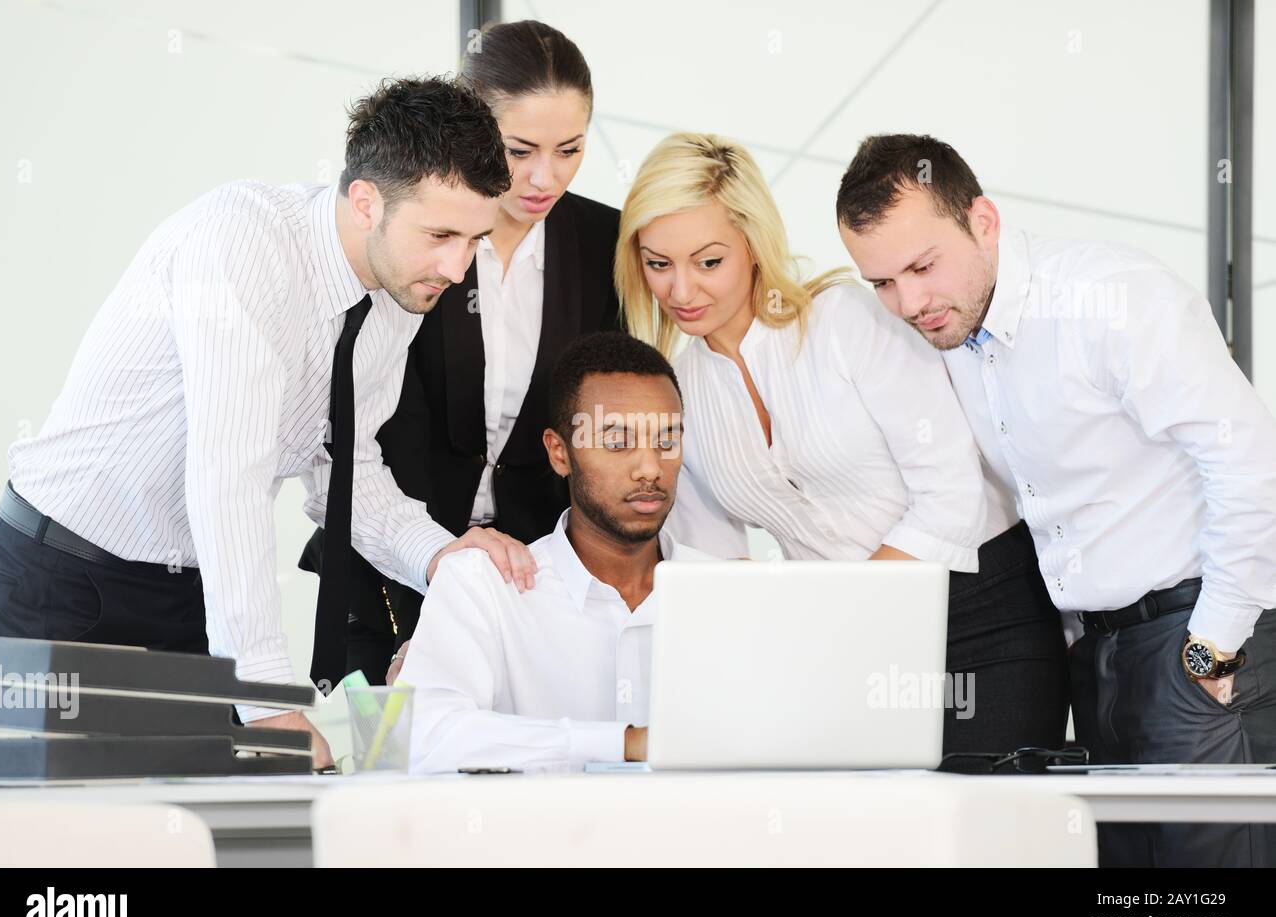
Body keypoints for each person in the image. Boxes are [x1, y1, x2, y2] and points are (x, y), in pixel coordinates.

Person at [0, 77, 538, 768]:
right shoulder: (242, 243)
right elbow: (229, 478)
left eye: (475, 239)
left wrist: (439, 555)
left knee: (203, 825)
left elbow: (347, 468)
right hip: (66, 575)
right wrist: (267, 698)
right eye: (441, 234)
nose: (457, 267)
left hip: (185, 588)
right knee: (93, 830)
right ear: (366, 203)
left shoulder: (395, 293)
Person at [836, 132, 1276, 866]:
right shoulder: (958, 339)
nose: (908, 301)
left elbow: (1250, 462)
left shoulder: (1112, 299)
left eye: (921, 265)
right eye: (881, 282)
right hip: (1097, 655)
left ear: (983, 220)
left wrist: (1211, 648)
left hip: (1199, 639)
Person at [618, 132, 1069, 759]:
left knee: (986, 833)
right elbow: (715, 568)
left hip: (981, 621)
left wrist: (840, 621)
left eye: (709, 261)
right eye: (658, 264)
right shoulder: (681, 393)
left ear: (753, 245)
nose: (682, 291)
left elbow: (952, 494)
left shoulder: (844, 320)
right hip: (838, 654)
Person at [300, 21, 621, 685]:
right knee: (388, 753)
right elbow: (361, 441)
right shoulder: (408, 234)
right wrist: (427, 614)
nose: (543, 177)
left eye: (569, 150)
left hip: (531, 577)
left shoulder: (605, 243)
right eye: (519, 148)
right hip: (387, 565)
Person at [392, 332, 713, 773]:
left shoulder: (727, 593)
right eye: (617, 442)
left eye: (666, 440)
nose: (649, 468)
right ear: (559, 452)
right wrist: (623, 743)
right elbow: (423, 739)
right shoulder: (485, 586)